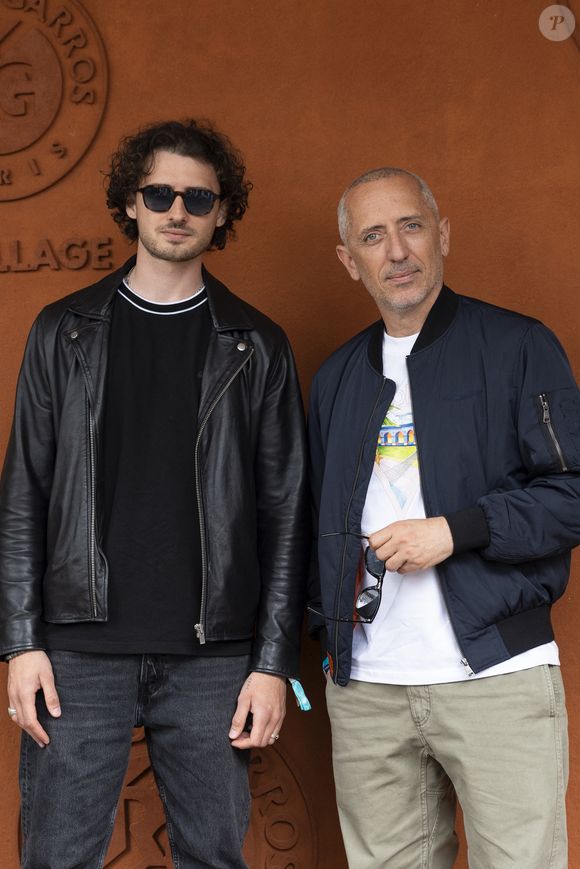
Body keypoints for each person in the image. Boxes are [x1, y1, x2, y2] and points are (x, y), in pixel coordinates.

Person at [0, 119, 309, 869]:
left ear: (223, 211)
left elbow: (286, 513)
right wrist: (21, 642)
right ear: (131, 204)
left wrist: (272, 662)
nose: (178, 209)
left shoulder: (256, 343)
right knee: (56, 858)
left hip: (214, 659)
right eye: (160, 192)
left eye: (197, 197)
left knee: (213, 858)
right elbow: (22, 498)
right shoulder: (62, 331)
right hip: (77, 654)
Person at [307, 167, 580, 868]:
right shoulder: (337, 378)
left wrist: (456, 530)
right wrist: (324, 632)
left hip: (498, 676)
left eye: (411, 226)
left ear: (443, 234)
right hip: (368, 691)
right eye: (372, 236)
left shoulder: (518, 346)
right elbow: (310, 522)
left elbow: (572, 492)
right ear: (349, 261)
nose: (396, 250)